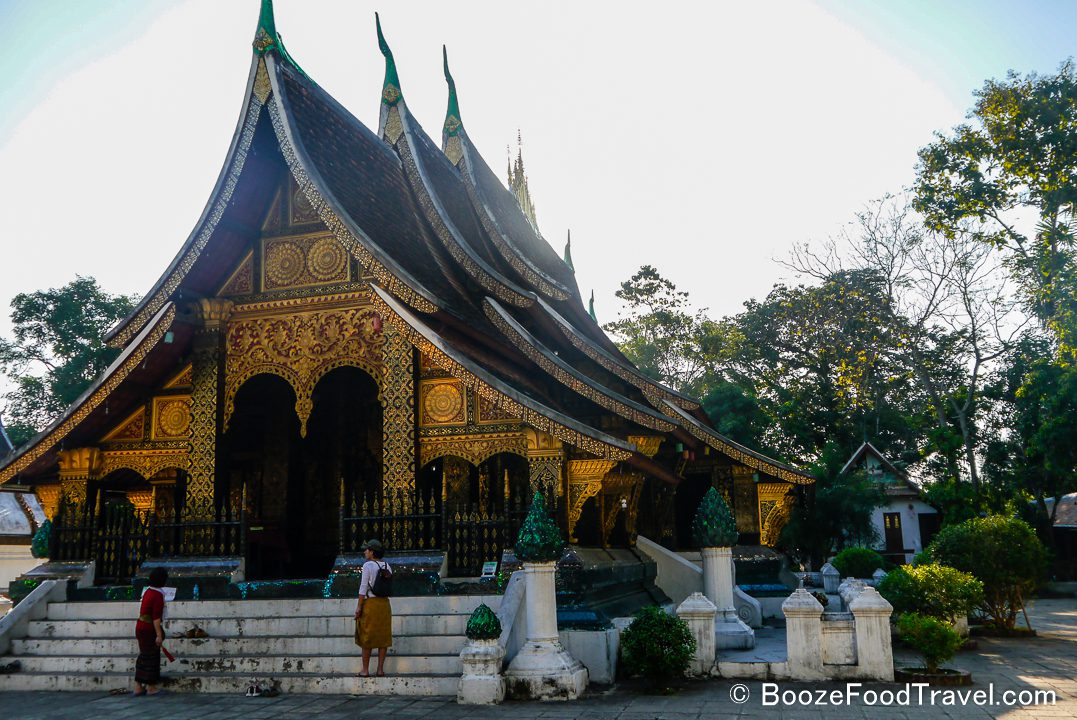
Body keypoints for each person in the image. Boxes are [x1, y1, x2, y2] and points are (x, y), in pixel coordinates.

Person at [354, 539, 392, 677]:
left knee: (367, 636)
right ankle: (380, 669)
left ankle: (365, 670)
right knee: (383, 637)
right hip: (385, 604)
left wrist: (359, 606)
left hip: (371, 603)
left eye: (367, 550)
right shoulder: (387, 565)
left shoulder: (368, 565)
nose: (365, 552)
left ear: (372, 552)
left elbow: (363, 587)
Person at [134, 567, 169, 696]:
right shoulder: (158, 595)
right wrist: (159, 635)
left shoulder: (148, 591)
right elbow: (156, 618)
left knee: (144, 655)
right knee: (152, 657)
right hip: (149, 628)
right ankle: (150, 686)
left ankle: (138, 685)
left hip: (140, 626)